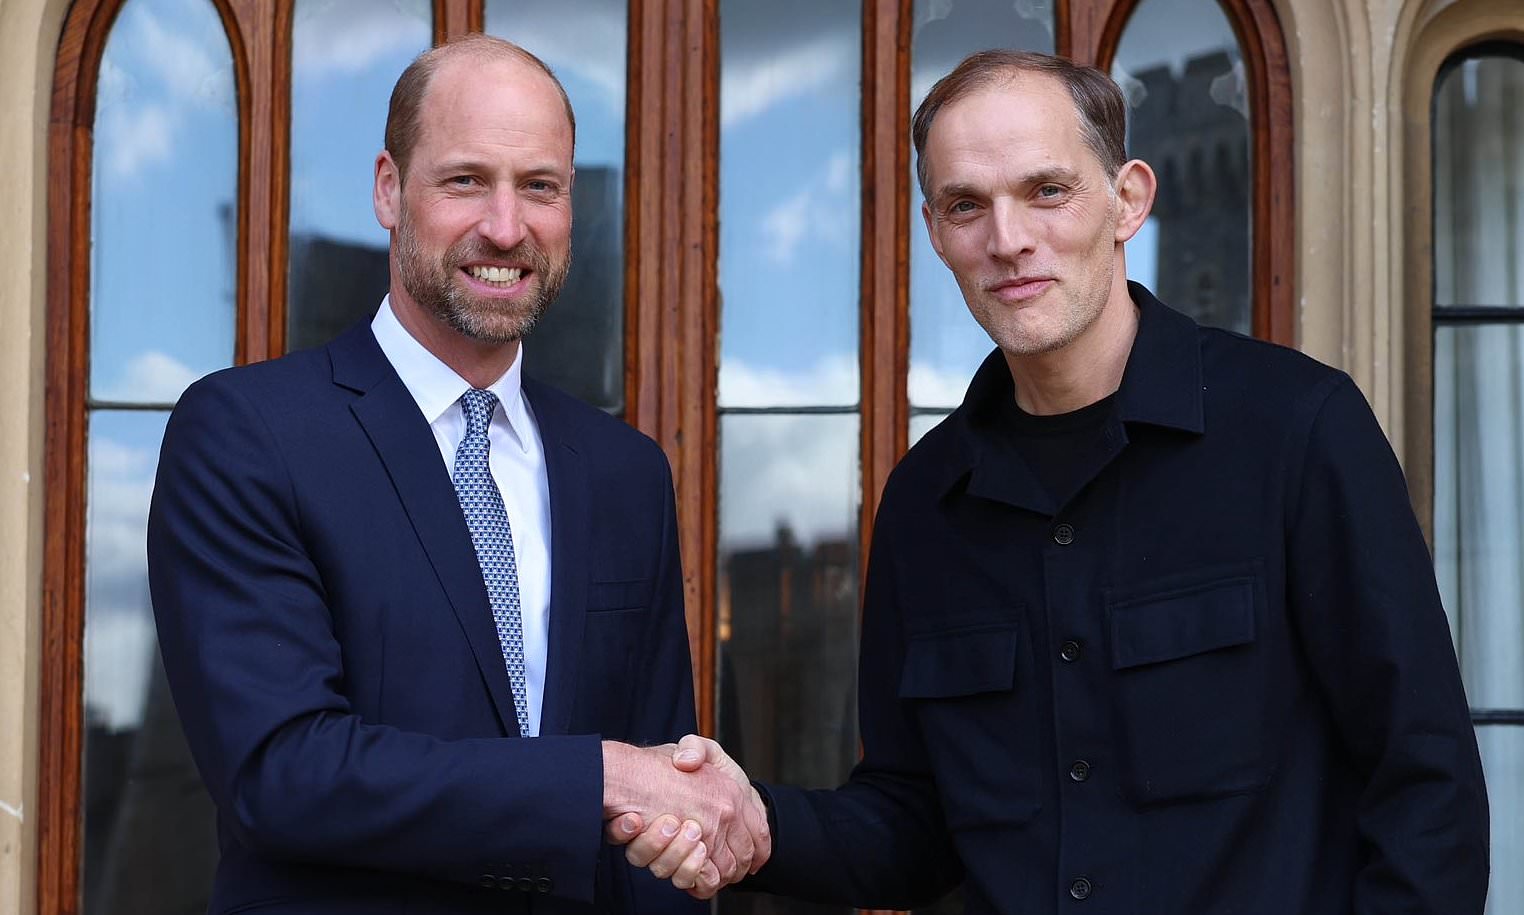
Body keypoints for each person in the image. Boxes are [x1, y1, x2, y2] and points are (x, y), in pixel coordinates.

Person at [616, 49, 1490, 913]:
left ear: (1128, 200)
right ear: (934, 232)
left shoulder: (1298, 430)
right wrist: (755, 820)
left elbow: (1426, 787)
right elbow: (915, 826)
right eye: (968, 206)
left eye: (1047, 190)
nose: (1008, 240)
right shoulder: (926, 502)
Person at [147, 34, 767, 915]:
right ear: (390, 189)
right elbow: (282, 772)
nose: (506, 227)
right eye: (467, 179)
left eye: (541, 187)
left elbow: (657, 828)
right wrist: (599, 775)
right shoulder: (247, 434)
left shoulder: (626, 472)